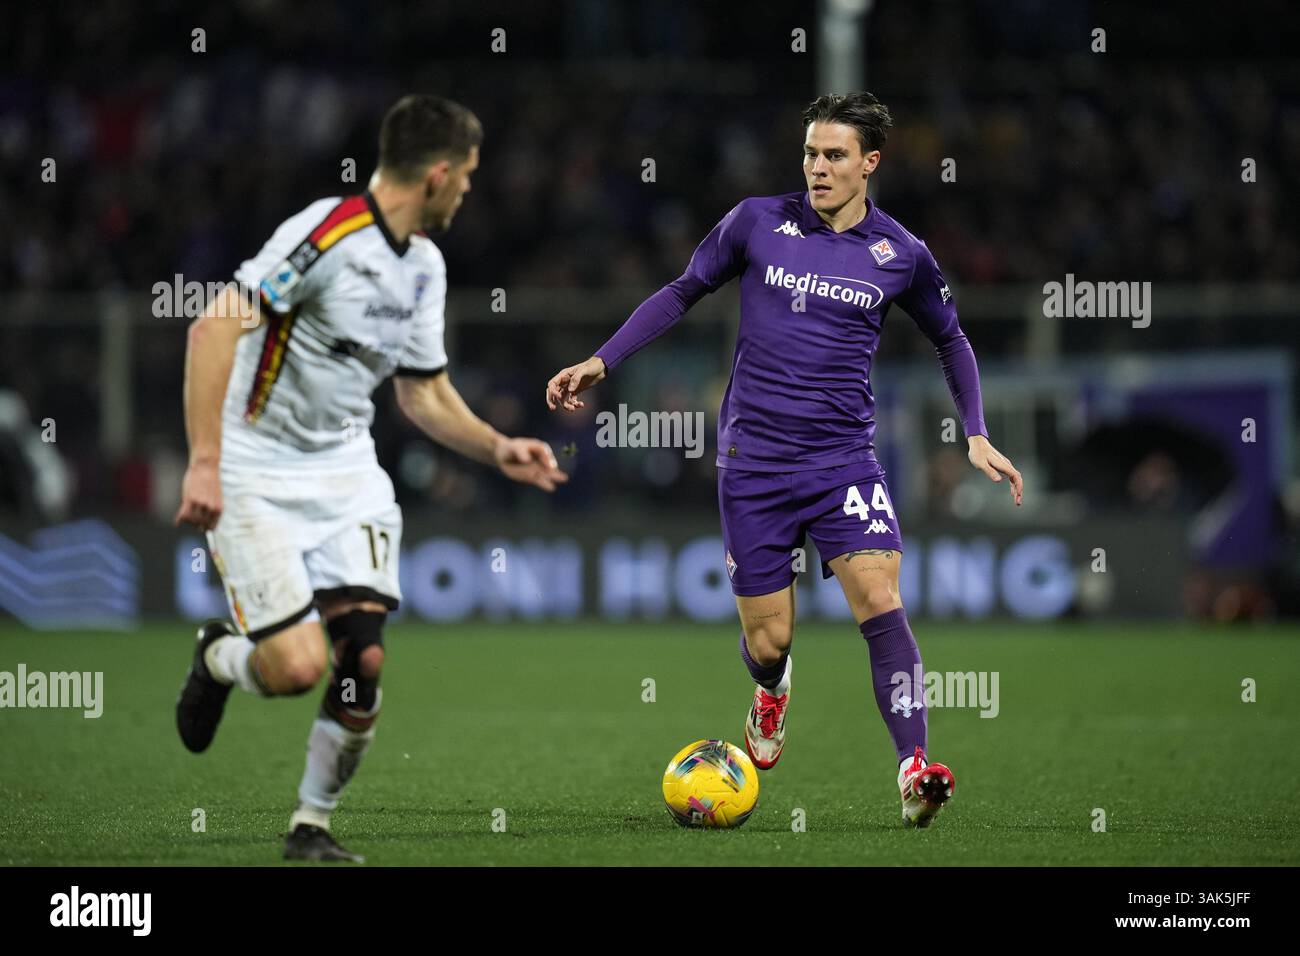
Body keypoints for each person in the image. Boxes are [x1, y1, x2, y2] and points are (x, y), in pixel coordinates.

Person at [546, 92, 1022, 828]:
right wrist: (602, 362)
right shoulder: (756, 222)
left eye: (835, 155)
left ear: (870, 162)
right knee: (770, 640)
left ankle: (913, 767)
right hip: (753, 464)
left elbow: (950, 339)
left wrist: (977, 430)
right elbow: (683, 292)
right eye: (810, 153)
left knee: (881, 601)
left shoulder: (901, 255)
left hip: (843, 462)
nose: (818, 168)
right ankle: (771, 689)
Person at [175, 94, 566, 861]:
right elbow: (214, 324)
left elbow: (421, 391)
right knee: (294, 669)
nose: (470, 192)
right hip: (255, 465)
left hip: (346, 469)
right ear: (439, 173)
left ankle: (310, 824)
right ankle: (219, 657)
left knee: (366, 657)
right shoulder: (328, 234)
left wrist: (496, 448)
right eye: (469, 177)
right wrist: (205, 462)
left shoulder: (424, 267)